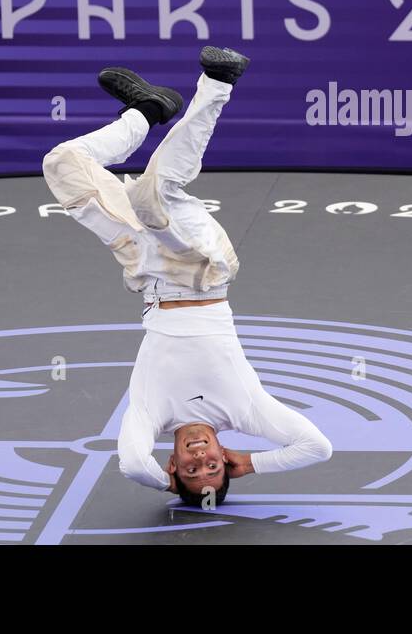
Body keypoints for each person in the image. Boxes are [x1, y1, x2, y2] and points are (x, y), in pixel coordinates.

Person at [41, 47, 332, 506]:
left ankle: (146, 109)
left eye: (190, 471)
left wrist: (166, 487)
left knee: (62, 165)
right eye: (213, 465)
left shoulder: (150, 415)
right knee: (152, 197)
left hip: (144, 269)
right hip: (204, 273)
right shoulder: (247, 412)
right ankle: (218, 82)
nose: (201, 459)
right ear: (223, 453)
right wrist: (252, 462)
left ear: (173, 465)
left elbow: (135, 463)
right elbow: (318, 447)